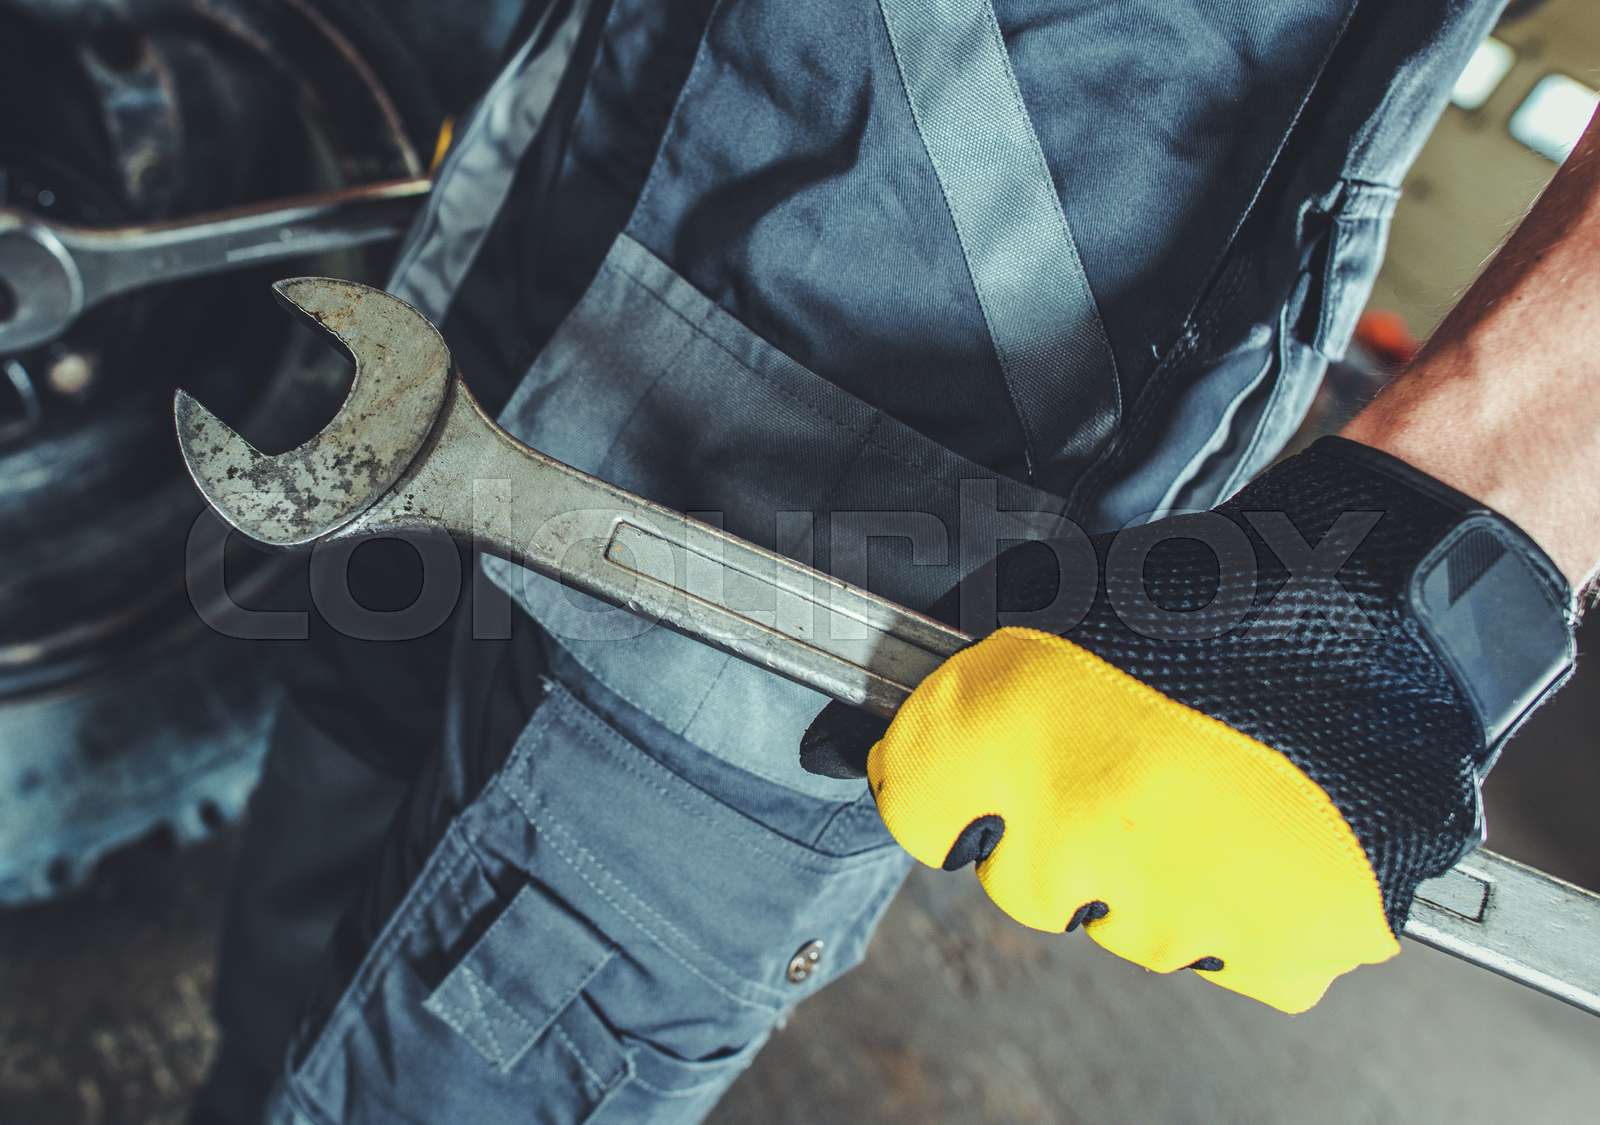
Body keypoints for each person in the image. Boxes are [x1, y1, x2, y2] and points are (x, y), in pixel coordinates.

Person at [193, 2, 1591, 1121]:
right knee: (321, 842)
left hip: (913, 437)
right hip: (592, 172)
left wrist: (1444, 550)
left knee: (479, 1047)